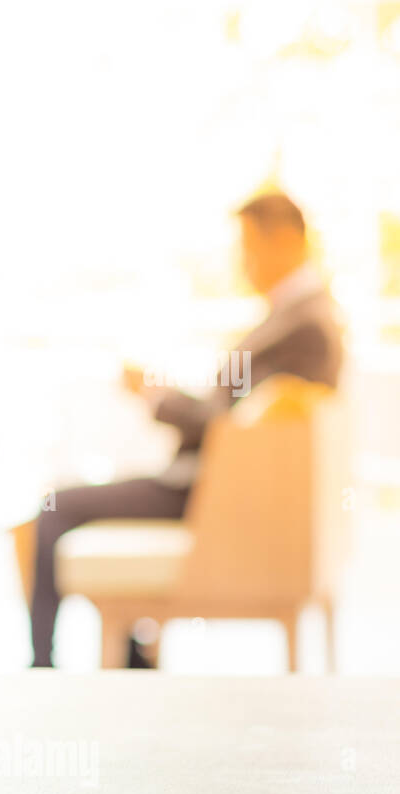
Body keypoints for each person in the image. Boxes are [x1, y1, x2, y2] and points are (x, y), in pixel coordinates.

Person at [30, 191, 344, 668]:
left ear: (283, 240)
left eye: (248, 247)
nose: (242, 262)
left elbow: (225, 426)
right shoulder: (305, 316)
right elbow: (238, 415)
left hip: (210, 490)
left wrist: (156, 397)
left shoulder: (304, 327)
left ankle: (42, 669)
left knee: (55, 506)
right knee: (70, 500)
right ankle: (134, 664)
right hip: (219, 481)